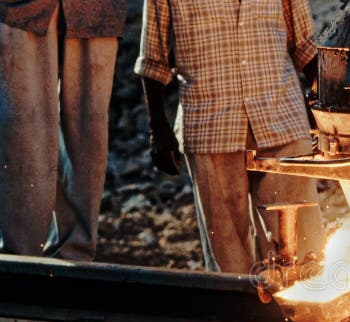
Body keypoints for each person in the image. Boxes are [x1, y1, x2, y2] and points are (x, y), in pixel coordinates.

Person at [135, 0, 325, 274]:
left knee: (302, 248)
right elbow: (153, 57)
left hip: (282, 115)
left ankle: (305, 314)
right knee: (229, 258)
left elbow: (305, 44)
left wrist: (328, 104)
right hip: (210, 123)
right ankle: (239, 314)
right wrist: (158, 128)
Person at [0, 1, 125, 259]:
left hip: (95, 11)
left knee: (89, 134)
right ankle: (19, 259)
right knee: (21, 132)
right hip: (18, 9)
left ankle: (75, 258)